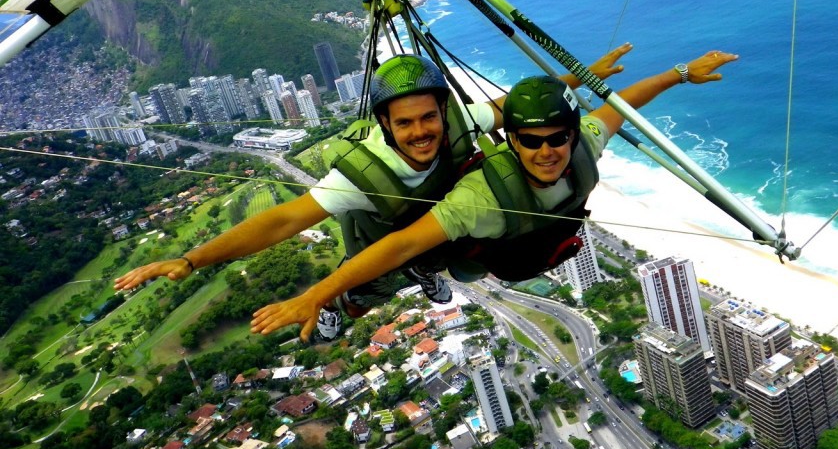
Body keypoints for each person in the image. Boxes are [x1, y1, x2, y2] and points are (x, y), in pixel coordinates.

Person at [114, 47, 633, 339]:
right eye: (404, 123)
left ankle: (425, 270)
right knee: (367, 293)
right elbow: (282, 220)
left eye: (429, 117)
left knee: (463, 251)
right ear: (385, 125)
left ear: (443, 111)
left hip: (433, 232)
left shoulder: (456, 122)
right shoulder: (362, 173)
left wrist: (577, 82)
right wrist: (193, 259)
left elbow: (513, 110)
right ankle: (343, 304)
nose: (421, 132)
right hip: (384, 241)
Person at [250, 49, 738, 342]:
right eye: (530, 141)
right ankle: (358, 302)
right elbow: (400, 244)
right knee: (400, 278)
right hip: (484, 252)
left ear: (573, 134)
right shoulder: (479, 196)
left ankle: (418, 273)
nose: (546, 152)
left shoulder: (584, 144)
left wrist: (679, 73)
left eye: (557, 138)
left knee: (441, 260)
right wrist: (317, 294)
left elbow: (622, 105)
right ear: (511, 141)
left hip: (535, 248)